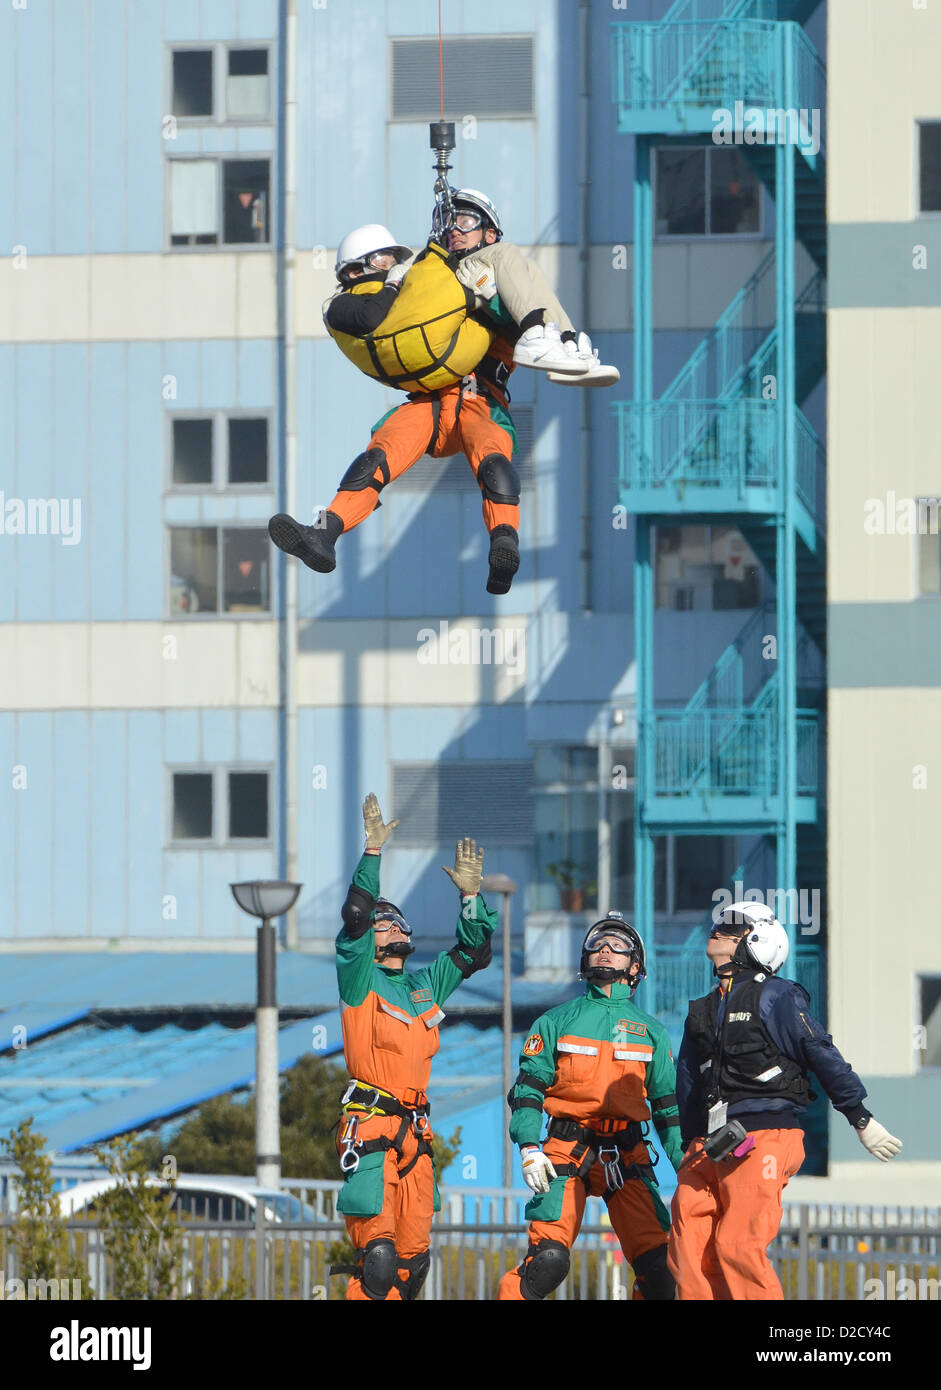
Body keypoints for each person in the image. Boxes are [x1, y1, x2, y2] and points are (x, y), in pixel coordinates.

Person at [267, 192, 616, 594]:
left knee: (493, 462)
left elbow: (510, 314)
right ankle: (324, 534)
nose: (455, 231)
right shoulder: (427, 284)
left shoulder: (497, 283)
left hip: (480, 399)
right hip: (429, 403)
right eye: (451, 223)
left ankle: (504, 541)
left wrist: (495, 299)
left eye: (466, 223)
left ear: (489, 233)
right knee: (377, 456)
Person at [668, 900, 903, 1301]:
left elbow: (820, 1053)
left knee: (738, 1246)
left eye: (732, 925)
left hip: (764, 1137)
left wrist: (860, 1117)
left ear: (759, 939)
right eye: (719, 922)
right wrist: (688, 1144)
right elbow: (688, 1082)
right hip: (708, 1144)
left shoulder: (777, 996)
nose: (718, 929)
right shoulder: (703, 1009)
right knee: (688, 1250)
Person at [331, 794, 498, 1301]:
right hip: (373, 1126)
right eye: (379, 925)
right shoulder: (360, 980)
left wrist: (471, 898)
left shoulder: (424, 988)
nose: (385, 925)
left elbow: (474, 951)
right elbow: (356, 913)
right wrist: (373, 852)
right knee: (377, 1262)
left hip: (418, 1135)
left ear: (406, 932)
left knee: (411, 1265)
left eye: (393, 920)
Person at [498, 913, 682, 1301]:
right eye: (597, 944)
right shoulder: (555, 1021)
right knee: (547, 1262)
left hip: (628, 1155)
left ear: (635, 967)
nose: (604, 950)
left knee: (662, 1275)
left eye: (617, 946)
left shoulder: (653, 1032)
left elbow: (668, 1111)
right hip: (565, 1150)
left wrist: (689, 1168)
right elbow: (527, 1091)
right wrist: (529, 1146)